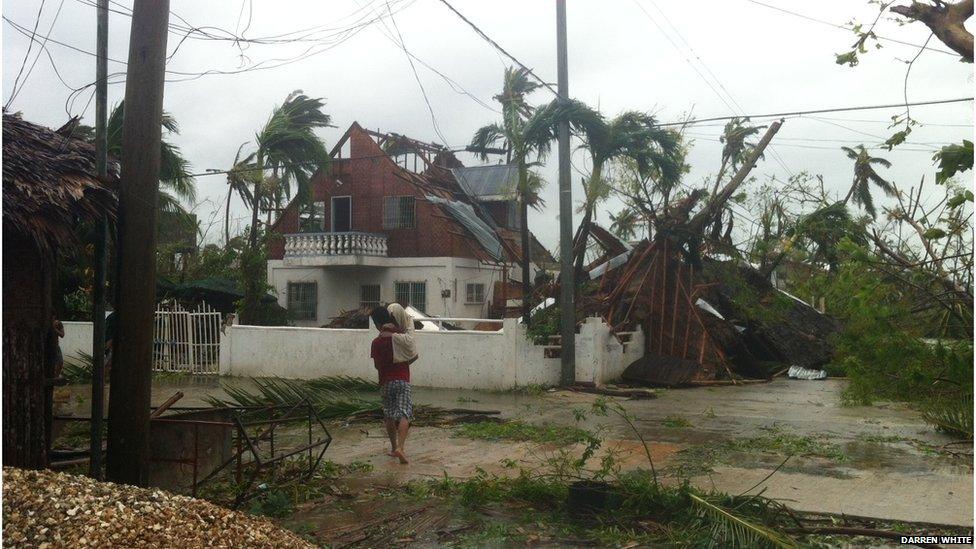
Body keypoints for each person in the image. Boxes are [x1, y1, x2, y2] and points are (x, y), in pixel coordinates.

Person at [369, 305, 418, 464]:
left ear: (377, 324)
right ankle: (401, 448)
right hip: (402, 379)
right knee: (404, 414)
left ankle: (393, 447)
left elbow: (377, 365)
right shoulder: (400, 337)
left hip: (385, 382)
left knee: (389, 414)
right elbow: (412, 356)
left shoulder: (376, 342)